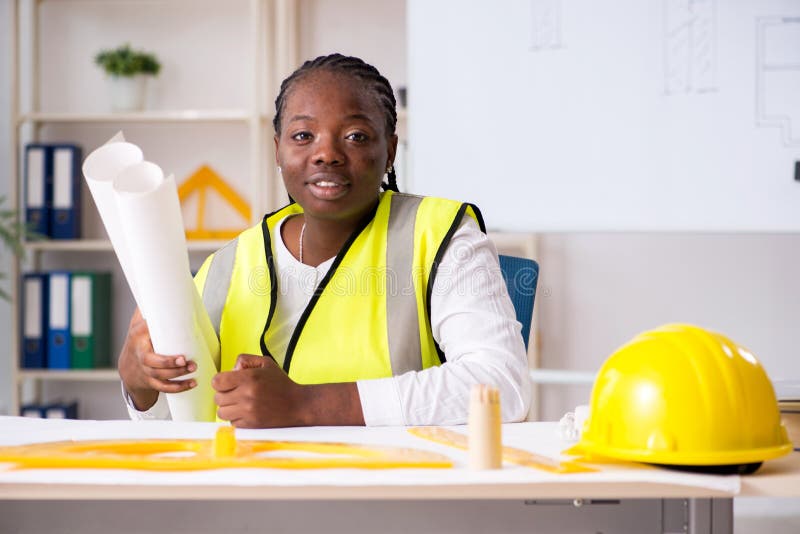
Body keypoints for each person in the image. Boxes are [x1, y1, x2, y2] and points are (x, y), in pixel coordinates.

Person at [119, 53, 532, 428]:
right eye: (303, 136)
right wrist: (144, 386)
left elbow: (501, 386)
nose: (327, 154)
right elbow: (180, 427)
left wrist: (306, 406)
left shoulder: (441, 235)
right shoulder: (226, 266)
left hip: (398, 491)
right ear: (278, 150)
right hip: (251, 494)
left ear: (389, 151)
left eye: (355, 136)